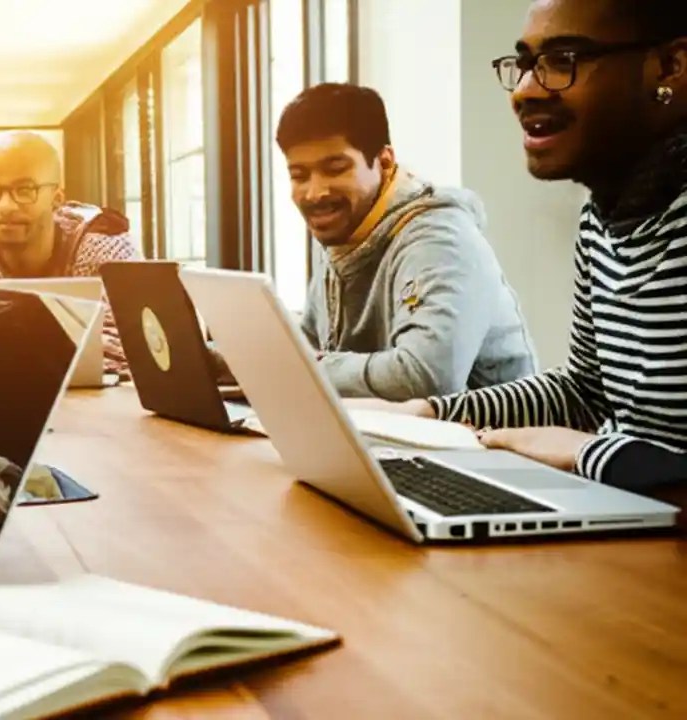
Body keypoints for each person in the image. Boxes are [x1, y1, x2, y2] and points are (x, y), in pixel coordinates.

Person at [377, 0, 687, 494]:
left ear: (669, 66)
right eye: (523, 64)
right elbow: (586, 394)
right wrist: (430, 412)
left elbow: (595, 437)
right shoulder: (603, 217)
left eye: (565, 61)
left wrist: (587, 451)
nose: (524, 91)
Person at [278, 83, 537, 400]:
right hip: (388, 442)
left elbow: (424, 377)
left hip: (485, 444)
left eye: (336, 169)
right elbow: (308, 346)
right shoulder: (345, 233)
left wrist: (296, 367)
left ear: (384, 162)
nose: (315, 192)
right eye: (299, 175)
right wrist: (229, 360)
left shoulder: (440, 238)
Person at [0, 131, 140, 372]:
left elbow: (134, 342)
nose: (5, 206)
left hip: (98, 403)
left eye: (24, 190)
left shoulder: (105, 247)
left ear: (56, 199)